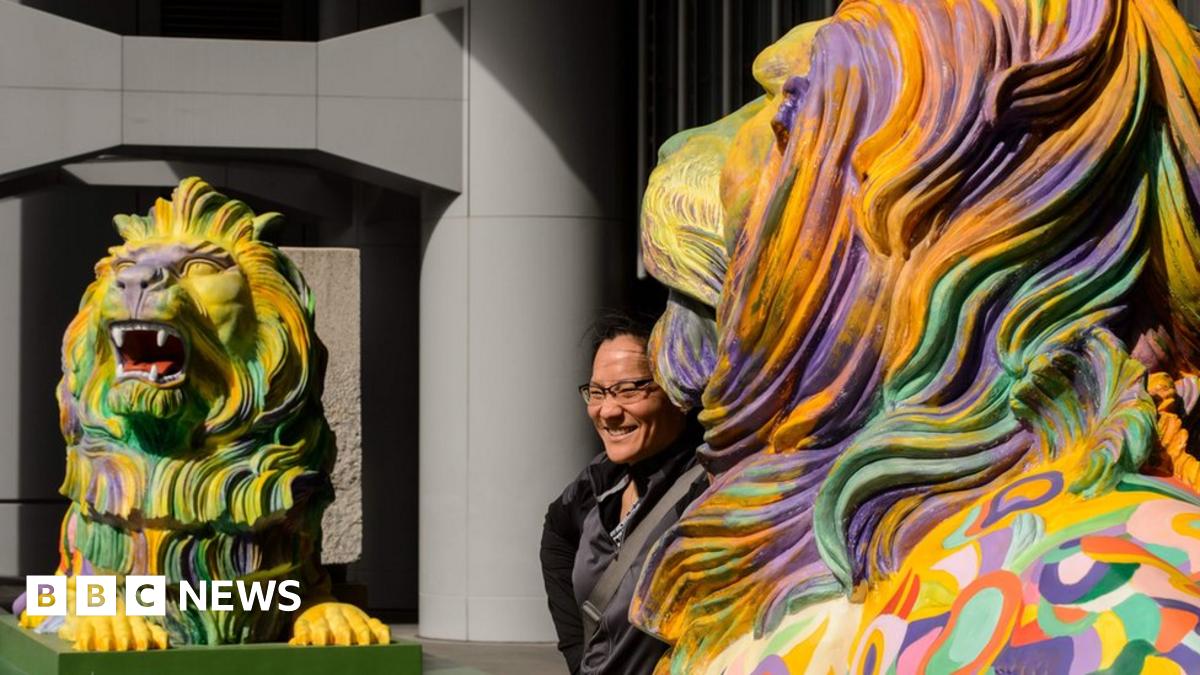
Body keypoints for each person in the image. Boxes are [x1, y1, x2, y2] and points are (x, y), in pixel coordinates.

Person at [540, 312, 707, 674]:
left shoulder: (710, 488)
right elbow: (556, 531)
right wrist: (577, 652)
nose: (608, 411)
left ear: (677, 392)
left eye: (629, 390)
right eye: (597, 392)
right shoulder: (600, 482)